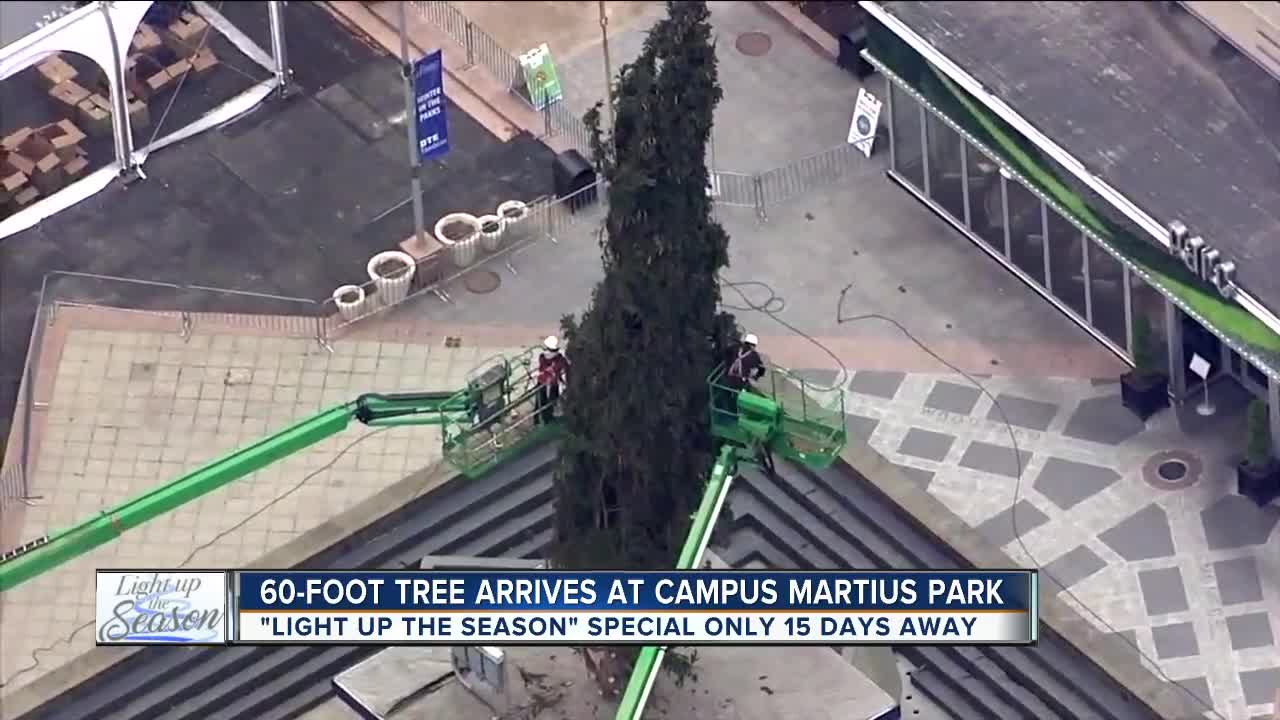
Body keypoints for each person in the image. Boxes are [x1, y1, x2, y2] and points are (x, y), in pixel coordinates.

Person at [536, 335, 569, 425]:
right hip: (545, 383)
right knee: (543, 403)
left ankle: (547, 420)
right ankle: (541, 420)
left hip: (551, 384)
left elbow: (563, 370)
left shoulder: (559, 360)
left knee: (548, 403)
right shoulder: (544, 357)